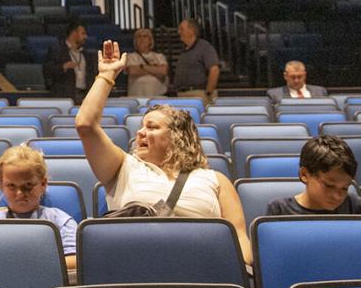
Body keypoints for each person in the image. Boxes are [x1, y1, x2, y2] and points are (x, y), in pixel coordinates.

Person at [76, 42, 252, 264]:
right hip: (138, 265)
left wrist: (237, 272)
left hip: (203, 268)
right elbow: (85, 125)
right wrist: (107, 76)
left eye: (151, 127)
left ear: (177, 136)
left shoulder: (216, 180)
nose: (140, 133)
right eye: (141, 127)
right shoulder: (123, 168)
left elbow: (239, 238)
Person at [0, 145, 78, 269]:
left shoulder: (60, 221)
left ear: (43, 184)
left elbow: (74, 260)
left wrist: (28, 267)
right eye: (11, 185)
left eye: (28, 185)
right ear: (1, 185)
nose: (19, 193)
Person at [265, 135, 361, 215]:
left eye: (345, 188)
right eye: (329, 186)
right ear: (304, 175)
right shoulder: (279, 210)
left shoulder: (353, 205)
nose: (337, 196)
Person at [171, 19, 220, 102]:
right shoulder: (184, 50)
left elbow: (214, 70)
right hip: (182, 95)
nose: (179, 32)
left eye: (182, 29)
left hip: (197, 94)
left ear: (191, 31)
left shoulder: (204, 47)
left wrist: (208, 93)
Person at [43, 21, 91, 100]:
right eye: (83, 33)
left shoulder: (86, 54)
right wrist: (63, 67)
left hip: (85, 96)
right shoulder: (57, 51)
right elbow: (47, 71)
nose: (86, 37)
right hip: (66, 96)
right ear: (74, 33)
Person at [125, 27, 169, 97]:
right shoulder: (130, 57)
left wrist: (142, 67)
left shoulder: (159, 57)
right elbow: (132, 71)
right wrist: (155, 69)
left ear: (150, 40)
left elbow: (163, 71)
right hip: (136, 96)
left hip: (157, 96)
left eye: (145, 36)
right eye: (139, 37)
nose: (141, 39)